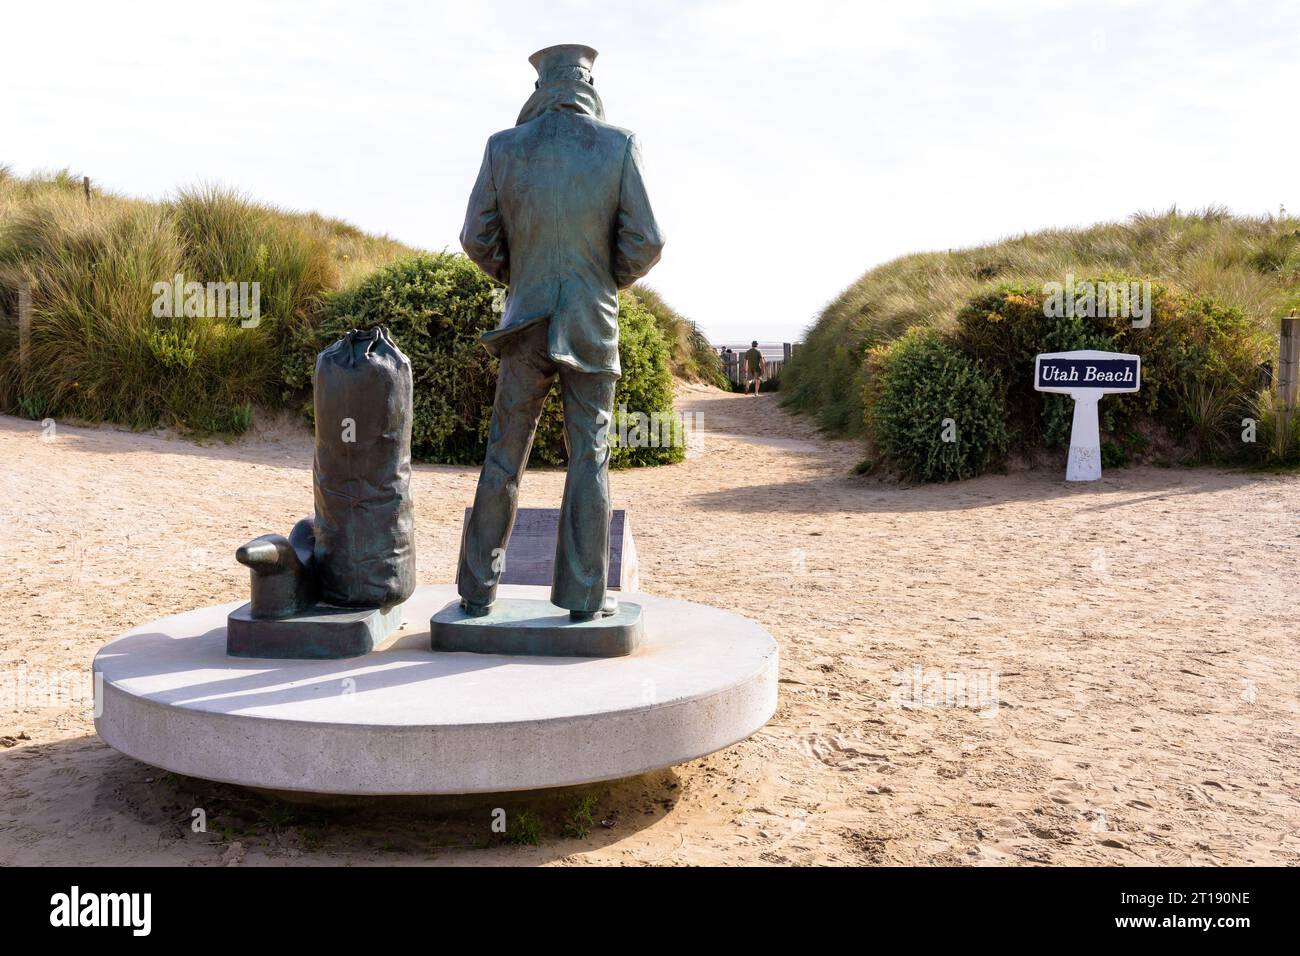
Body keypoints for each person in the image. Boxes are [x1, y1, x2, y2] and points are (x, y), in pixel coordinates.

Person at [457, 44, 665, 622]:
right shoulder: (619, 145)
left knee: (503, 455)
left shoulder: (503, 147)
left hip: (524, 319)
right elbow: (647, 240)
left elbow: (476, 237)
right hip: (591, 322)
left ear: (541, 84)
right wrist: (601, 281)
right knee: (589, 458)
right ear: (587, 81)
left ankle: (478, 591)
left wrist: (518, 276)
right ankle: (584, 597)